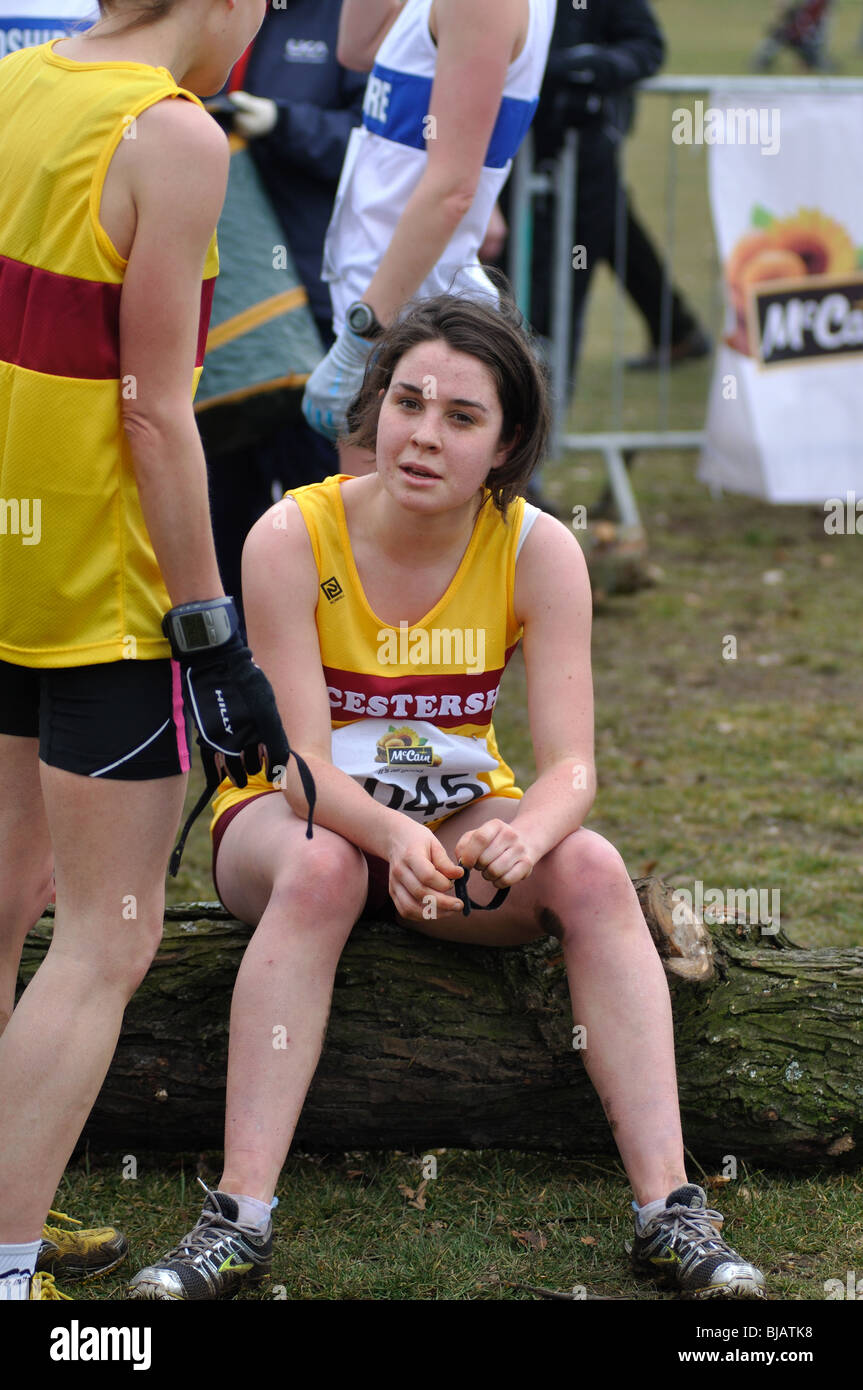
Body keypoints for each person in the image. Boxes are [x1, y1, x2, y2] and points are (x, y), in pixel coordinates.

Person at [128, 292, 766, 1301]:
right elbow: (294, 760)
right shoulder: (289, 534)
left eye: (461, 418)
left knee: (593, 865)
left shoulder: (538, 549)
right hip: (290, 821)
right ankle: (236, 1220)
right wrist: (385, 833)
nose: (424, 434)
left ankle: (670, 1210)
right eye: (408, 401)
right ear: (374, 406)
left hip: (453, 825)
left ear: (507, 445)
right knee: (325, 868)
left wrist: (530, 839)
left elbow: (571, 769)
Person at [0, 0, 314, 1302]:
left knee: (10, 893)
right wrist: (212, 637)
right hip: (106, 596)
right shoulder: (172, 136)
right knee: (106, 939)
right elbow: (159, 418)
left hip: (10, 556)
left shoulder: (20, 82)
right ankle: (9, 1263)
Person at [301, 0, 557, 465]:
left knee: (391, 527)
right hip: (390, 299)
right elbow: (356, 50)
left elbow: (452, 191)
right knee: (373, 524)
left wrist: (361, 340)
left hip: (413, 316)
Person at [204, 0, 368, 635]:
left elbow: (382, 144)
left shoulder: (347, 16)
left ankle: (341, 661)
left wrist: (283, 122)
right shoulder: (211, 11)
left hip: (314, 305)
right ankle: (233, 674)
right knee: (225, 508)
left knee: (321, 504)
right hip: (226, 318)